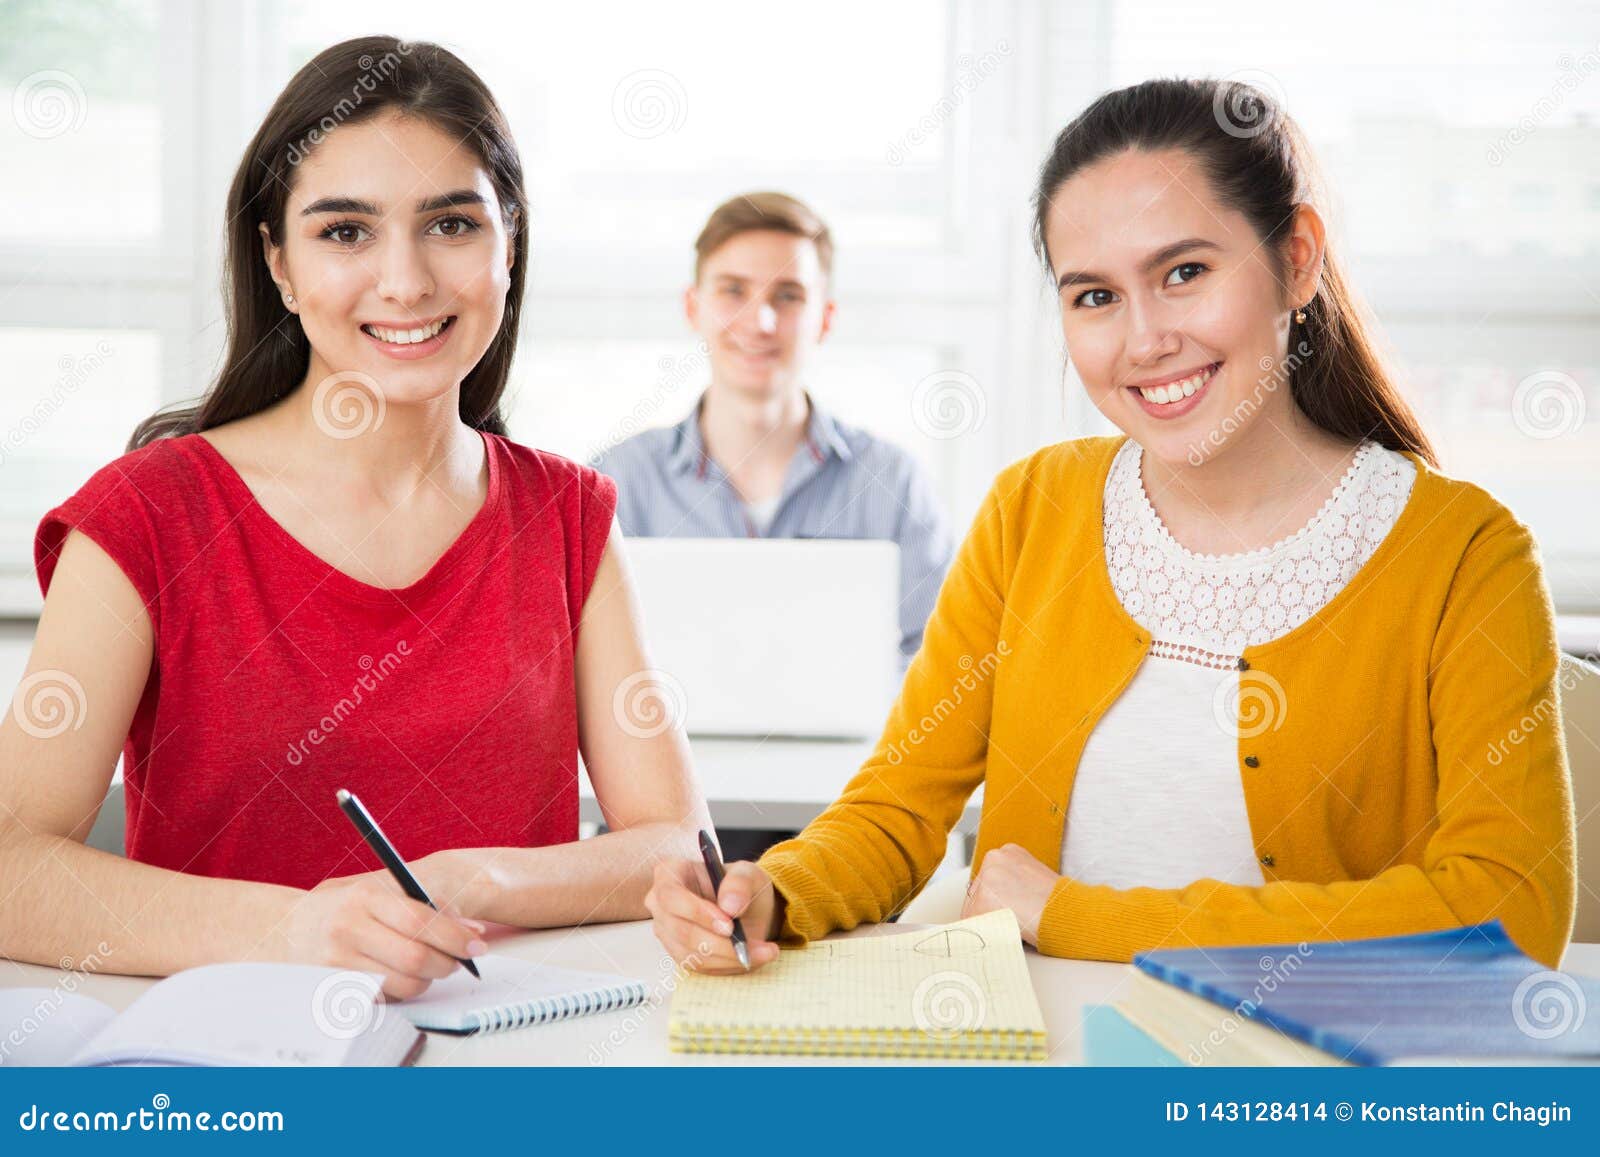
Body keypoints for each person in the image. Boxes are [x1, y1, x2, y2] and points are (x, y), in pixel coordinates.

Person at [645, 77, 1576, 973]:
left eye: (1184, 272)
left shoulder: (1463, 551)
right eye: (1094, 295)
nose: (1142, 339)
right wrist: (772, 890)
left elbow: (1510, 910)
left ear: (1297, 259)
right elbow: (894, 811)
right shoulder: (1033, 509)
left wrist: (1078, 915)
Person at [0, 37, 709, 1000]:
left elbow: (676, 843)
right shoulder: (149, 517)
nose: (407, 281)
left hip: (504, 1058)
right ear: (278, 263)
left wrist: (466, 876)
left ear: (511, 245)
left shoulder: (566, 514)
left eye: (453, 224)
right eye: (345, 232)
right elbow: (10, 867)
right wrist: (295, 927)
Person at [595, 191, 954, 861]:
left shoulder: (893, 480)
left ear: (825, 318)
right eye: (733, 289)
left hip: (842, 819)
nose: (759, 320)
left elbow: (938, 670)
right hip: (658, 815)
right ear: (693, 307)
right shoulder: (619, 479)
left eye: (788, 295)